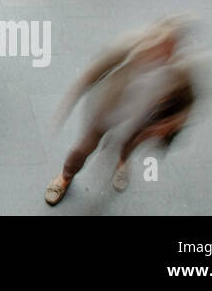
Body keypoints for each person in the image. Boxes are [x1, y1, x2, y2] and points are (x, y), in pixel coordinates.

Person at [45, 15, 199, 205]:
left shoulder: (180, 71)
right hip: (108, 111)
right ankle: (65, 177)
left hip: (141, 119)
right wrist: (68, 102)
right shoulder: (129, 46)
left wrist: (171, 123)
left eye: (170, 47)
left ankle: (122, 163)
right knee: (83, 149)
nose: (163, 50)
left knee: (129, 145)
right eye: (162, 43)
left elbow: (189, 100)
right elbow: (94, 72)